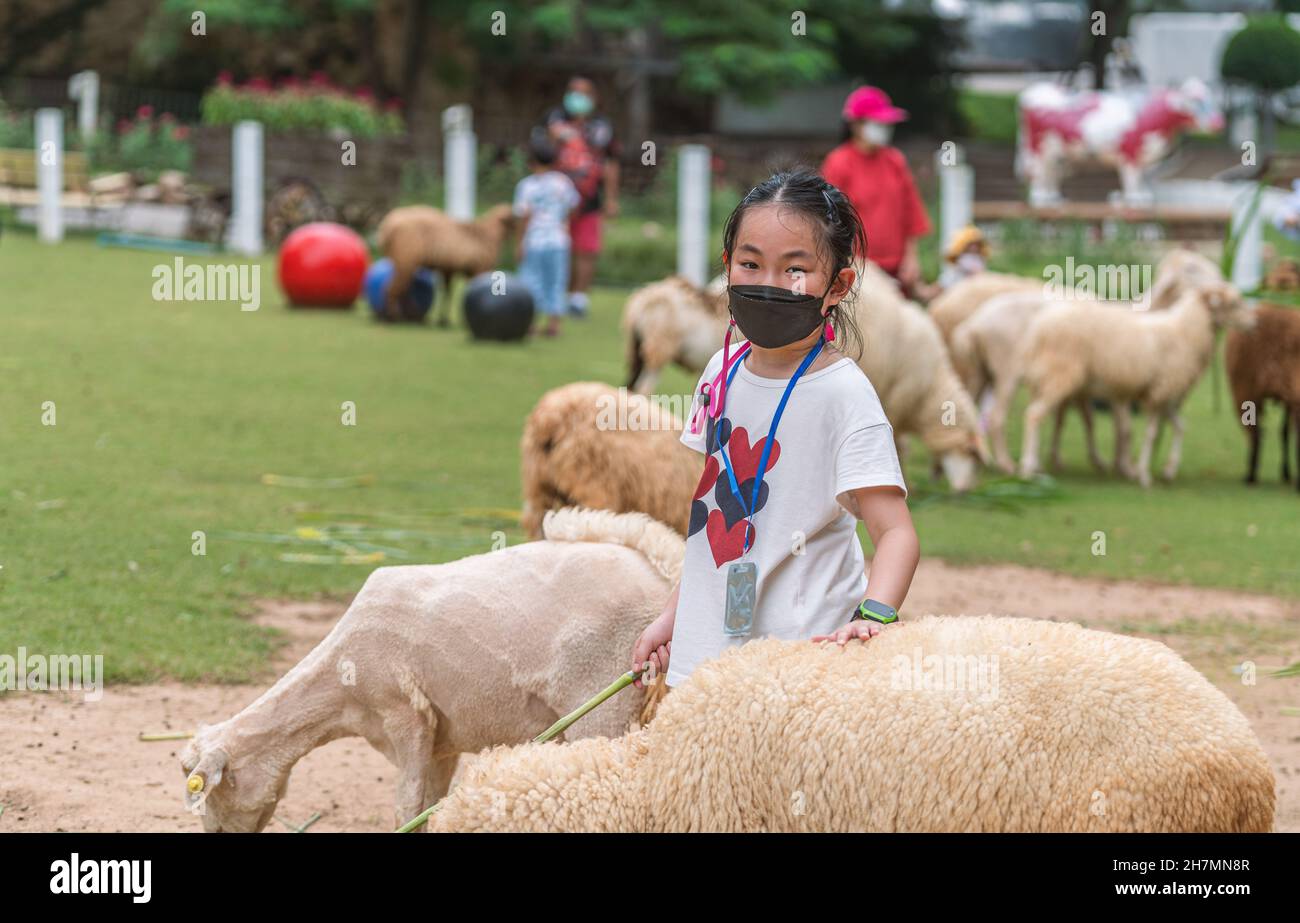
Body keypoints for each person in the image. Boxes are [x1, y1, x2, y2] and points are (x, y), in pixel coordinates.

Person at [630, 168, 920, 691]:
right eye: (750, 263)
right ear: (727, 269)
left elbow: (896, 533)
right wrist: (676, 615)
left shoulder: (845, 396)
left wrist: (874, 620)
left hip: (802, 665)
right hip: (706, 656)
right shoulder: (719, 372)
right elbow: (710, 519)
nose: (768, 283)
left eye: (794, 269)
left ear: (838, 285)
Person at [820, 85, 931, 296]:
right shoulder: (839, 162)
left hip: (897, 270)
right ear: (855, 124)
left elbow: (911, 213)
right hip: (858, 271)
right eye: (878, 123)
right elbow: (829, 221)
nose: (884, 128)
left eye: (886, 123)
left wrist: (911, 259)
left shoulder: (894, 160)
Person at [536, 76, 622, 319]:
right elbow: (540, 153)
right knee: (556, 245)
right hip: (556, 200)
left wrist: (612, 199)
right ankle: (554, 295)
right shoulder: (553, 120)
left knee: (586, 248)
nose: (577, 98)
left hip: (590, 198)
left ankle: (578, 298)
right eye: (573, 91)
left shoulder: (602, 127)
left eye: (583, 93)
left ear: (593, 98)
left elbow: (610, 164)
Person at [512, 137, 580, 337]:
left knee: (531, 281)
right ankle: (554, 324)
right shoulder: (563, 182)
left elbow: (524, 217)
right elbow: (573, 206)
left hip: (534, 241)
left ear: (531, 161)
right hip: (559, 240)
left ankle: (530, 323)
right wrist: (564, 223)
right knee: (556, 280)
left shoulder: (526, 186)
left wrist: (519, 243)